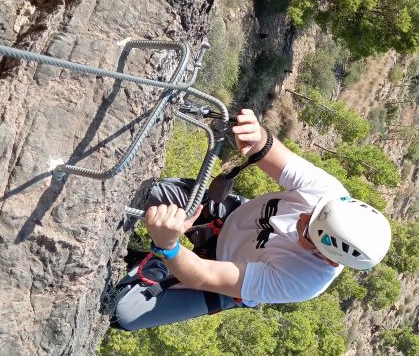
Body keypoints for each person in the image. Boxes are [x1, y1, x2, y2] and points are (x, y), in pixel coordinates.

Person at [112, 108, 392, 330]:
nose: (304, 217)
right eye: (314, 212)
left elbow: (204, 274)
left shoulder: (304, 280)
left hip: (222, 275)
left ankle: (152, 263)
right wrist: (255, 135)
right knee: (156, 193)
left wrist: (168, 246)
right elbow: (268, 152)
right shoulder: (329, 194)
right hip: (229, 218)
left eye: (309, 231)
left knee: (123, 311)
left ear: (330, 258)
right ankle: (156, 253)